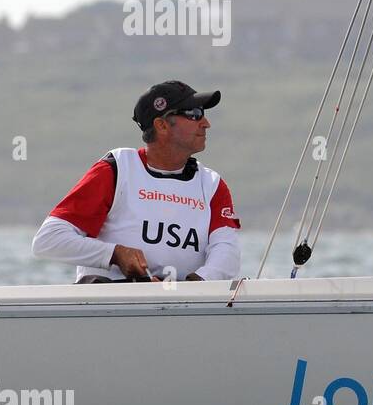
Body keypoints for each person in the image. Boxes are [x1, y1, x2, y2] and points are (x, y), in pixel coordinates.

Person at [32, 81, 241, 283]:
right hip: (114, 301)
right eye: (194, 115)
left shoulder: (212, 184)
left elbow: (226, 251)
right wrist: (115, 254)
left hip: (185, 300)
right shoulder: (116, 169)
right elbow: (48, 241)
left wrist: (195, 285)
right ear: (162, 125)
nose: (206, 123)